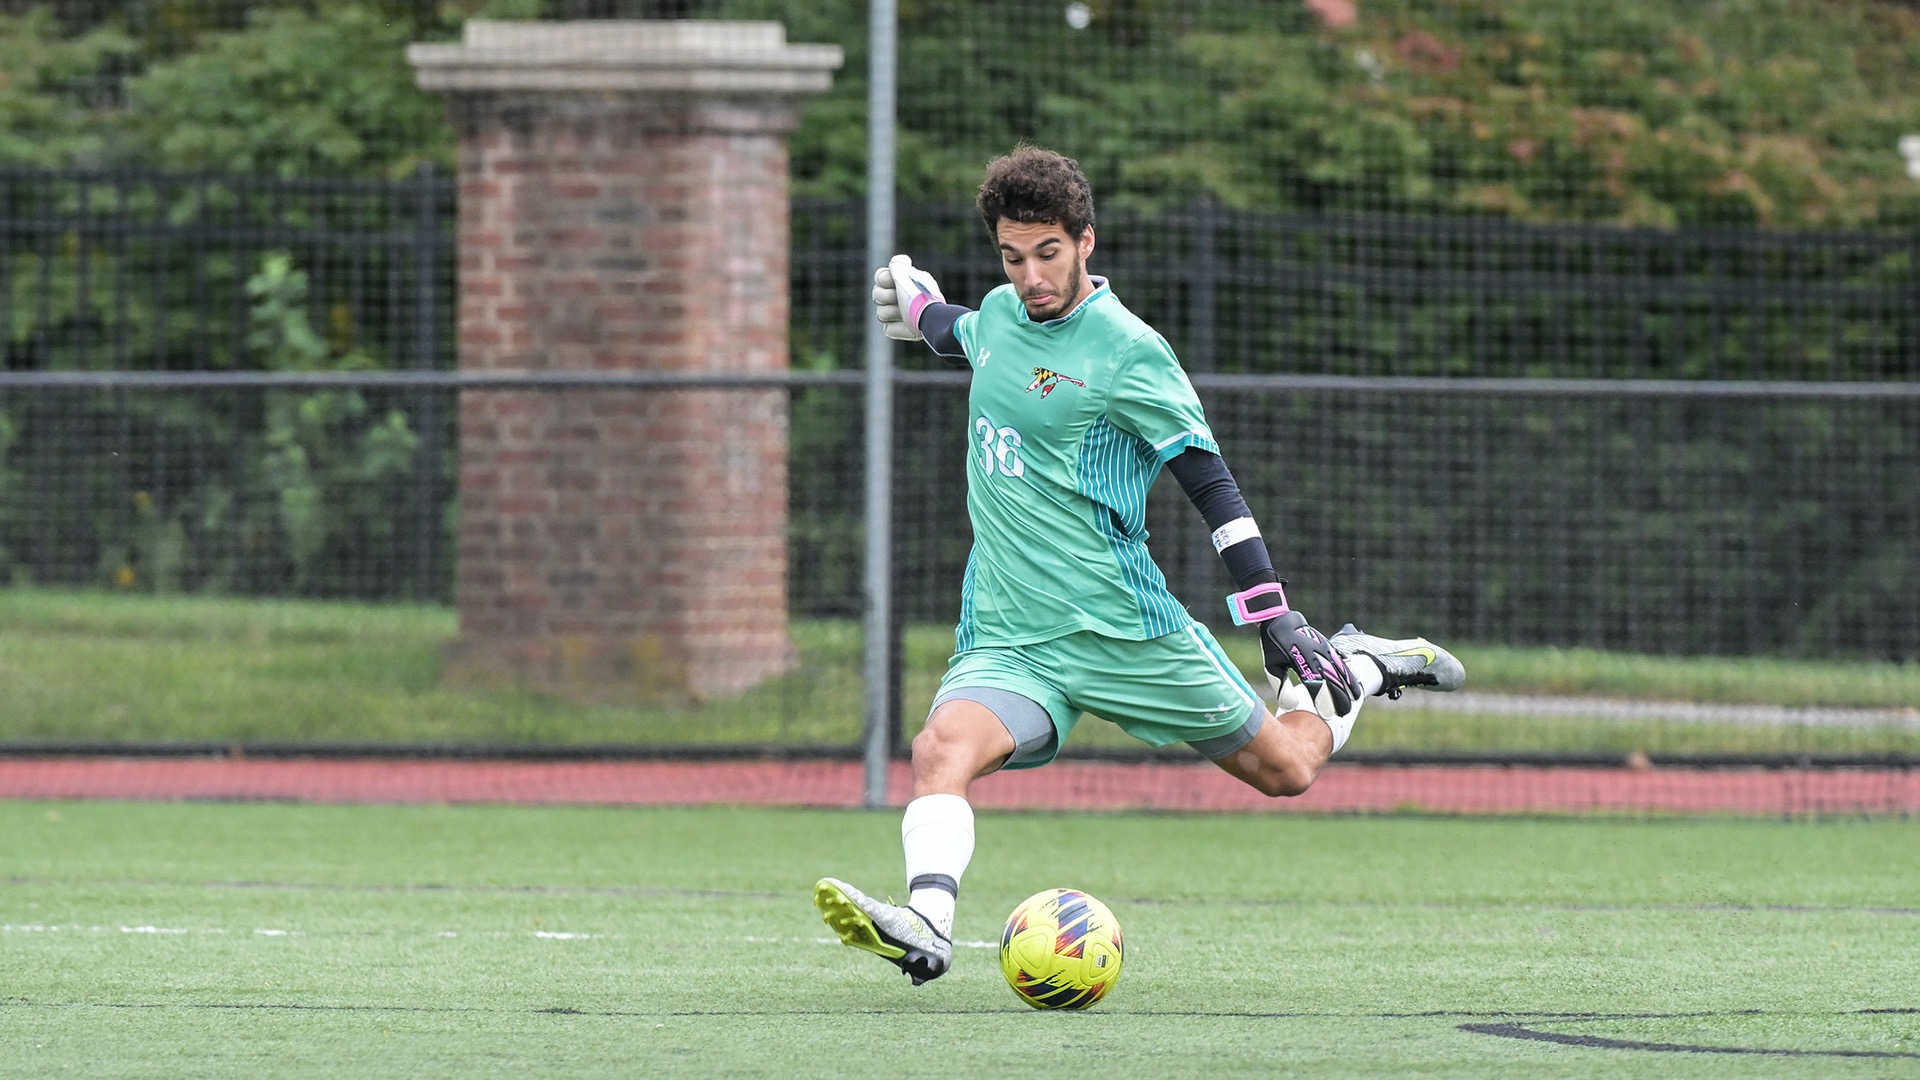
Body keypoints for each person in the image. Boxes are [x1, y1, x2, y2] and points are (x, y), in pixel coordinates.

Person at [814, 146, 1463, 985]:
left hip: (1125, 628)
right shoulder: (1004, 317)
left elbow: (1211, 483)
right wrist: (918, 301)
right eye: (1012, 258)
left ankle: (1358, 669)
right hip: (1013, 633)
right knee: (940, 746)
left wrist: (1271, 616)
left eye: (1048, 253)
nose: (1032, 276)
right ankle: (930, 923)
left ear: (1087, 240)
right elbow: (956, 333)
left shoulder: (1128, 351)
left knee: (1288, 771)